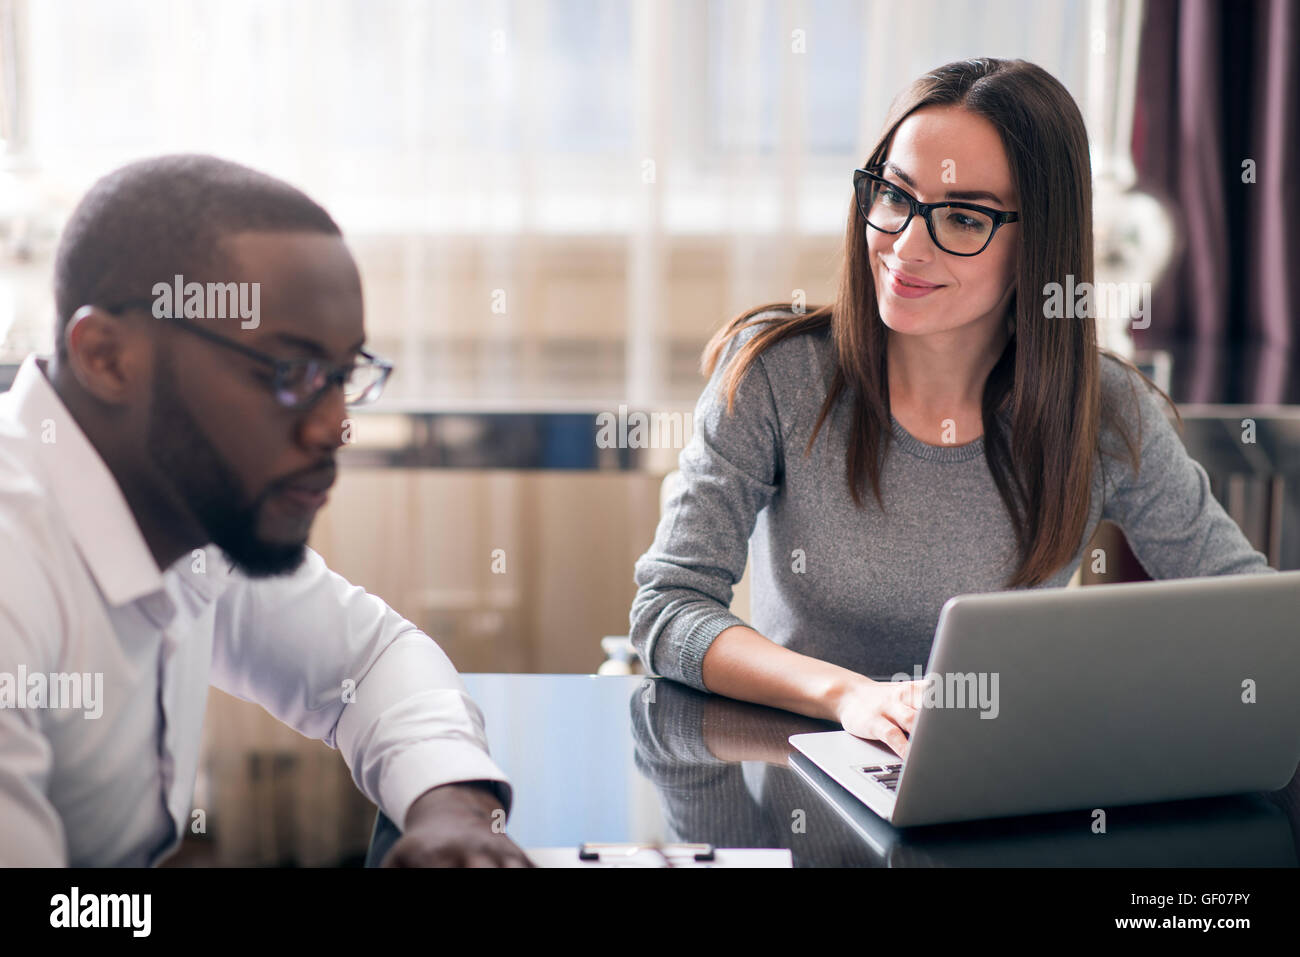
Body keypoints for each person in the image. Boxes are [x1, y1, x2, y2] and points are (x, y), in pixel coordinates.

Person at [629, 58, 1275, 761]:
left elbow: (1250, 615)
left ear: (1039, 244)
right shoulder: (776, 375)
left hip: (1003, 790)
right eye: (895, 195)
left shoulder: (1104, 410)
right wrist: (851, 696)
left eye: (964, 217)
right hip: (807, 782)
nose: (905, 245)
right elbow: (668, 609)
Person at [0, 154, 532, 867]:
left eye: (344, 376)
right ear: (108, 356)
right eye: (291, 373)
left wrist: (453, 812)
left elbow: (369, 661)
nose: (334, 425)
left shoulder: (182, 513)